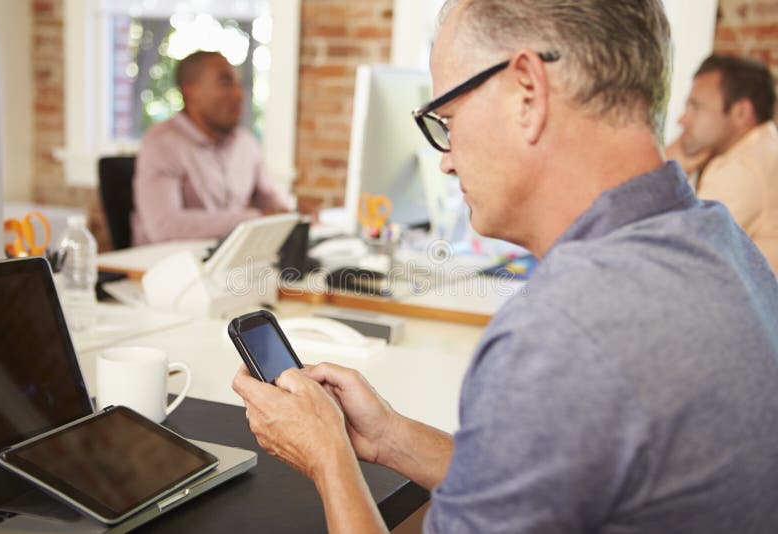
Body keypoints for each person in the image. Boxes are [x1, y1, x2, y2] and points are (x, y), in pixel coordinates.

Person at [232, 1, 778, 532]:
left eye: (447, 118)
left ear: (527, 92)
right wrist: (389, 437)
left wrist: (328, 459)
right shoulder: (722, 241)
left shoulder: (561, 332)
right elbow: (555, 477)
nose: (445, 159)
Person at [131, 50, 290, 245]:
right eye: (225, 83)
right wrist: (251, 219)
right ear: (191, 92)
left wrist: (291, 213)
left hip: (230, 261)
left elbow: (268, 200)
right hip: (168, 266)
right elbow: (164, 227)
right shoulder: (162, 144)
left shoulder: (245, 143)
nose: (239, 95)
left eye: (239, 84)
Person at [669, 54, 778, 273]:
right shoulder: (764, 146)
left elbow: (679, 258)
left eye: (696, 107)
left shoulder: (742, 168)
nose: (682, 120)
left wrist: (667, 172)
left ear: (741, 113)